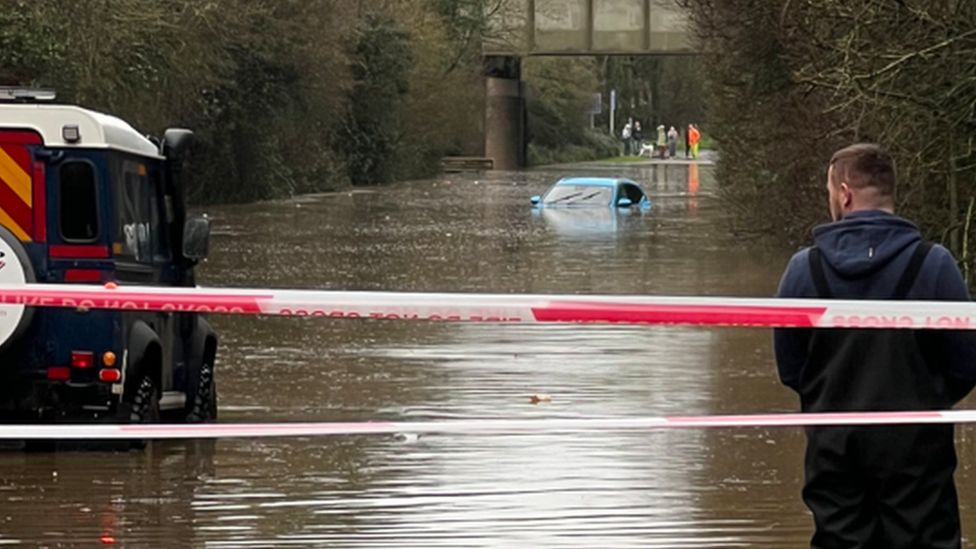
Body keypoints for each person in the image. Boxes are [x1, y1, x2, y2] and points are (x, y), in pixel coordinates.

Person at [774, 143, 976, 548]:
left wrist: (831, 400)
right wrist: (928, 397)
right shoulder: (934, 264)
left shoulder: (803, 271)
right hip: (918, 453)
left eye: (830, 191)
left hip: (834, 449)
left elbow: (791, 369)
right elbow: (967, 364)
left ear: (844, 193)